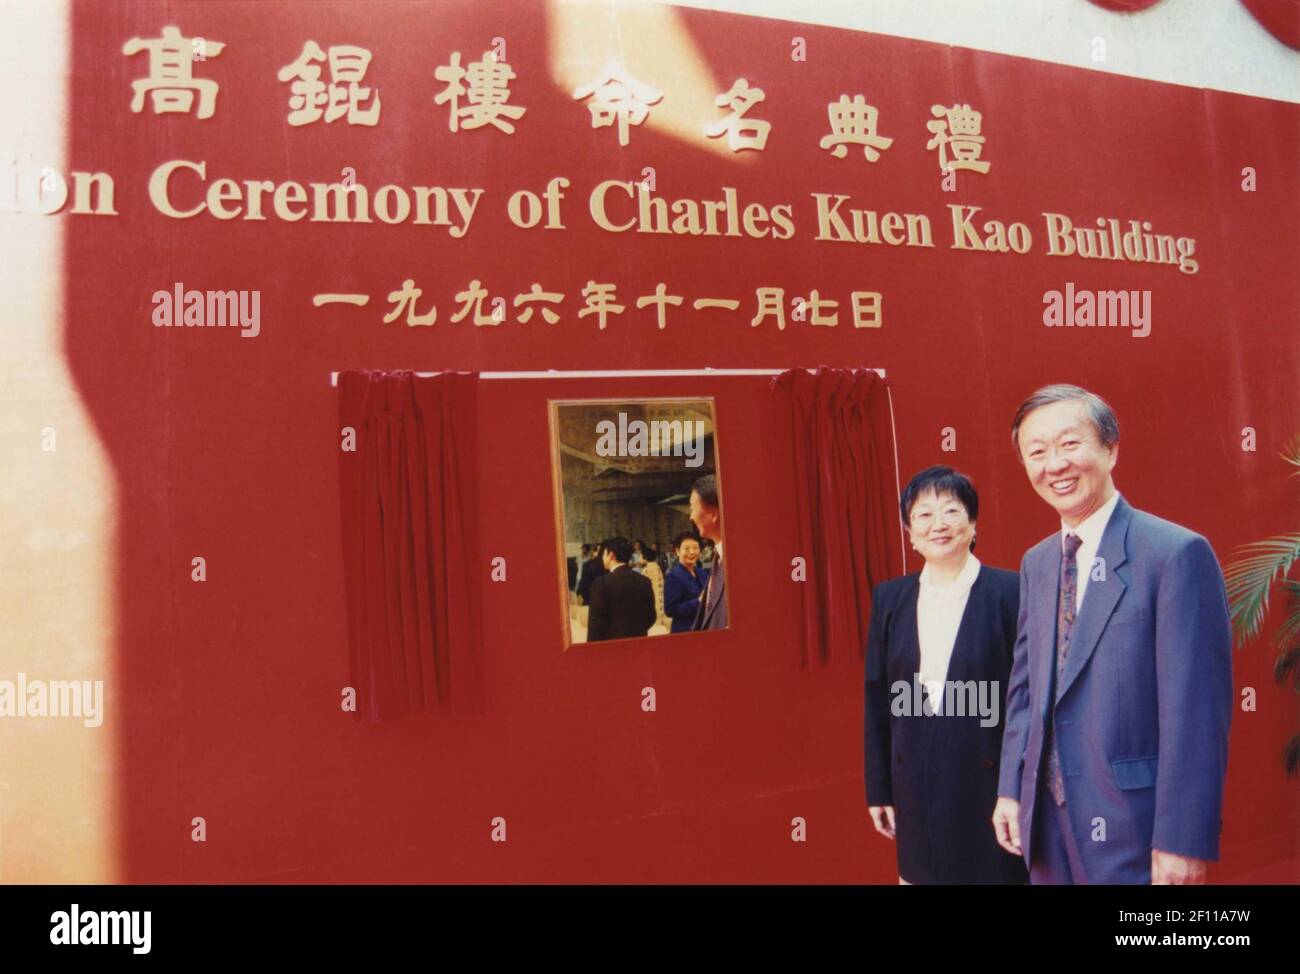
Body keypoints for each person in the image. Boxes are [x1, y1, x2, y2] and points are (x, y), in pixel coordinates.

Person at [992, 384, 1233, 885]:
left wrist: (1182, 838)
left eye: (1070, 444)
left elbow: (1196, 713)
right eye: (1037, 453)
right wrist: (1011, 789)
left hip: (1134, 827)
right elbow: (1024, 693)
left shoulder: (1174, 554)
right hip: (1046, 828)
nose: (1054, 464)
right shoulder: (1037, 563)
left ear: (1110, 447)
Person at [864, 466, 1028, 885]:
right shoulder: (891, 598)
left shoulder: (1011, 592)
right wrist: (879, 787)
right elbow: (878, 699)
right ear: (910, 532)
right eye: (923, 515)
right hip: (915, 789)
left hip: (992, 789)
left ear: (972, 523)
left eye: (952, 511)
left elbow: (1028, 700)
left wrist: (1018, 788)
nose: (939, 525)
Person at [586, 536, 656, 642]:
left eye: (604, 554)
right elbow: (651, 616)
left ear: (611, 555)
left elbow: (596, 626)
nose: (602, 558)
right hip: (639, 643)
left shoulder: (601, 583)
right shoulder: (644, 581)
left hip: (612, 646)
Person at [689, 476, 727, 631]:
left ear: (714, 515)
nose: (690, 516)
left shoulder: (737, 563)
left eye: (692, 508)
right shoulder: (718, 558)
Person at [663, 531, 710, 634]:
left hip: (704, 628)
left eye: (695, 548)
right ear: (677, 551)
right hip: (685, 631)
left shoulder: (702, 572)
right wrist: (698, 602)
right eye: (687, 548)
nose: (692, 552)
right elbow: (670, 610)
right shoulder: (673, 576)